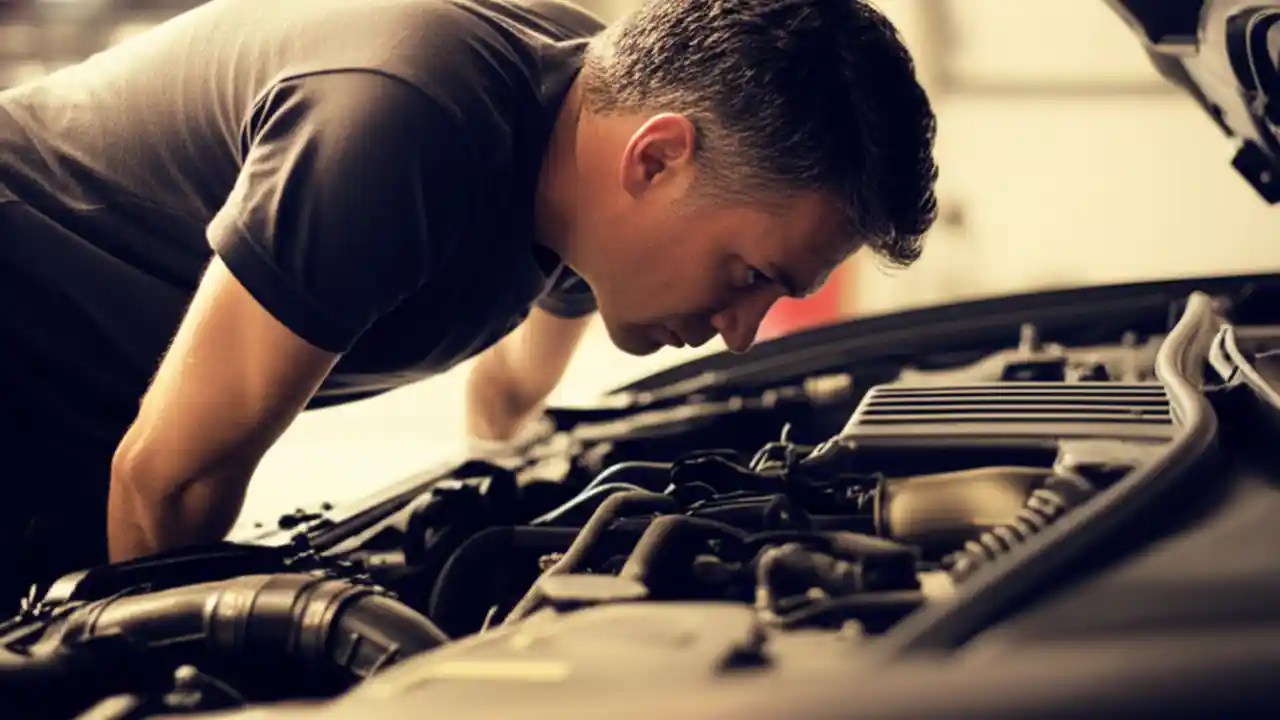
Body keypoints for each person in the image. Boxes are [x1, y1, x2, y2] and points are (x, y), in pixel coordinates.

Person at [0, 0, 938, 601]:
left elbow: (507, 400)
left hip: (90, 426)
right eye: (748, 277)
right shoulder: (407, 124)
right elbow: (170, 479)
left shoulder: (585, 171)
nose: (739, 336)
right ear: (655, 159)